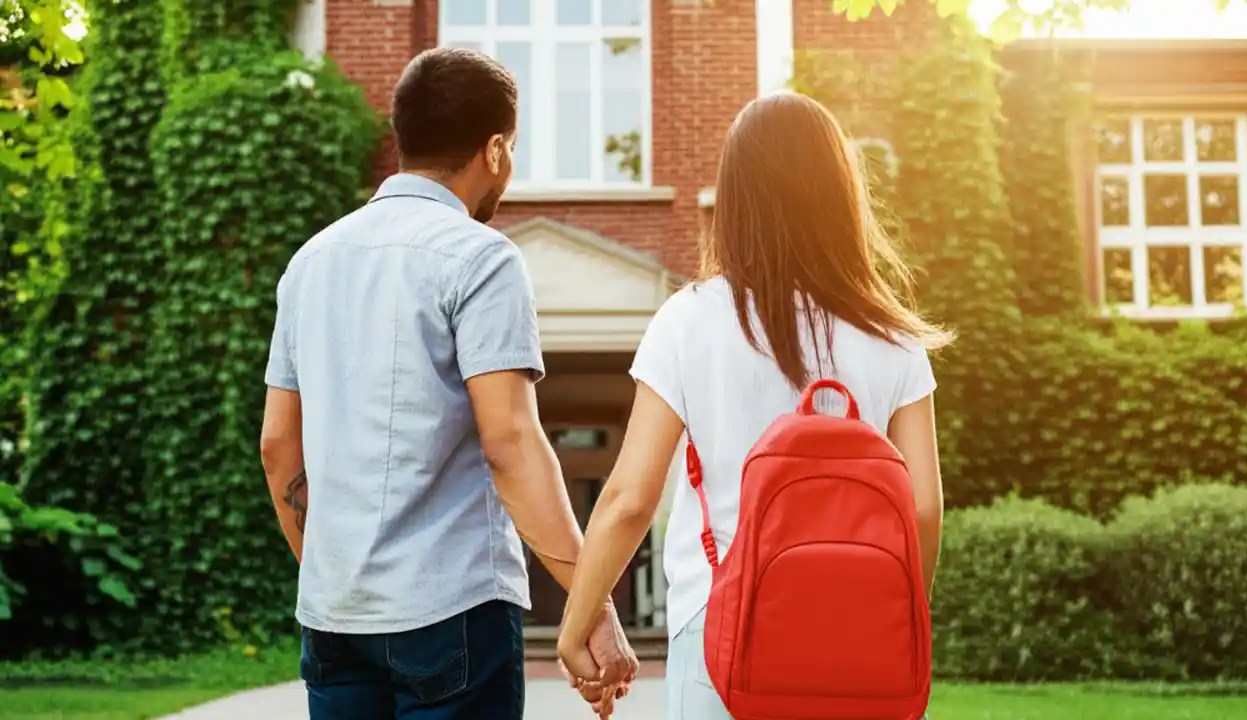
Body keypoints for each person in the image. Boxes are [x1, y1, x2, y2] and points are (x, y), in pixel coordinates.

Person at [259, 47, 636, 720]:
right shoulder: (482, 258)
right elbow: (511, 444)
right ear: (494, 149)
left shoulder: (309, 263)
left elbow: (277, 445)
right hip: (452, 614)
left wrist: (331, 571)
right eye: (511, 150)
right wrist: (592, 605)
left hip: (335, 616)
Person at [556, 91, 949, 719]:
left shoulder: (690, 320)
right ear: (841, 196)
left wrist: (579, 621)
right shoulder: (893, 336)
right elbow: (923, 506)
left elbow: (631, 498)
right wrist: (893, 620)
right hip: (856, 636)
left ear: (736, 200)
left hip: (721, 633)